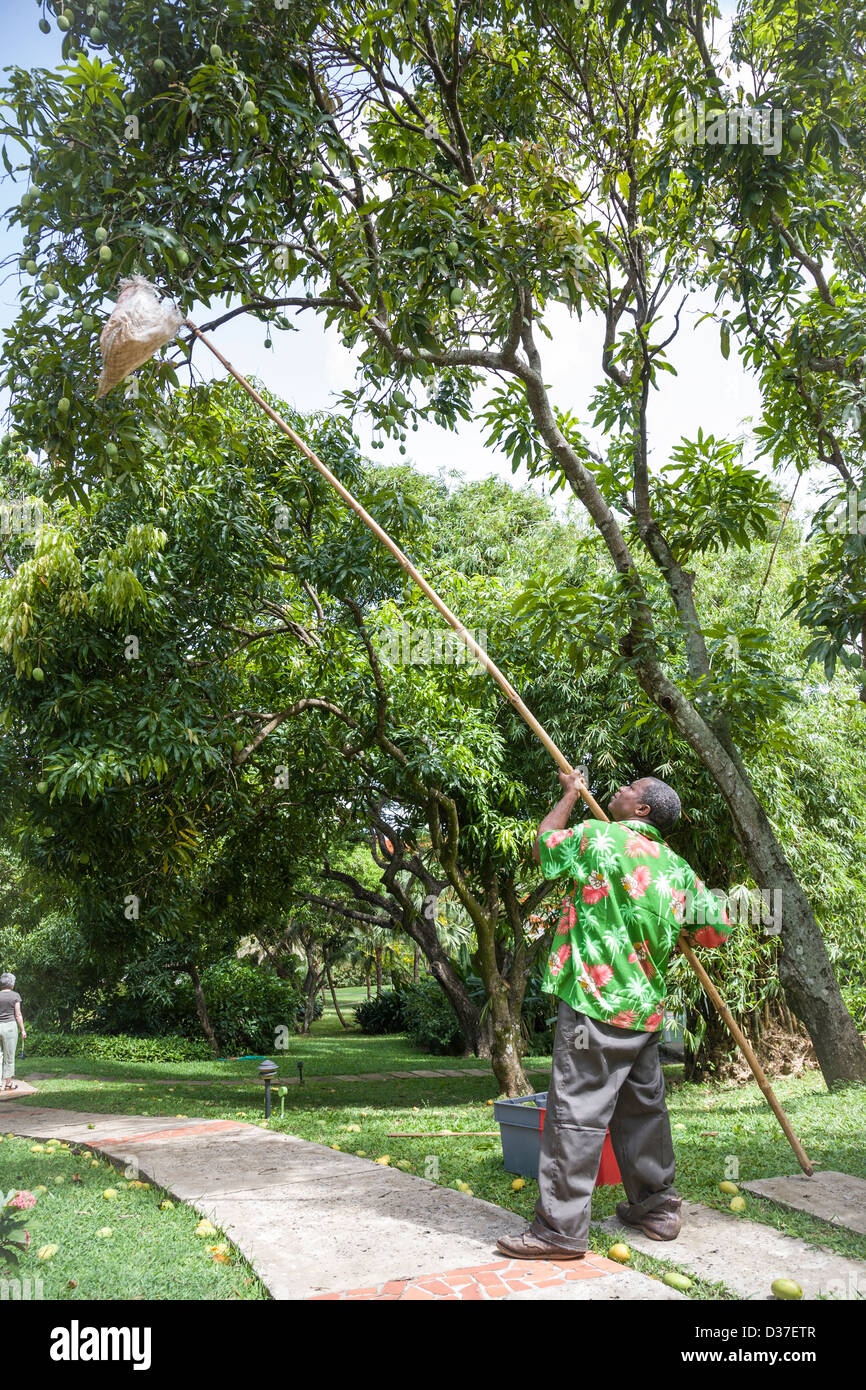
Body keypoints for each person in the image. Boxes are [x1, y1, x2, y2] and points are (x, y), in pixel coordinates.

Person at [497, 770, 730, 1261]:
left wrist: (567, 795)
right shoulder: (678, 869)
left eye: (630, 788)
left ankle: (558, 1232)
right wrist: (675, 928)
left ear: (641, 809)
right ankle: (657, 1208)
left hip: (594, 1003)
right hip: (645, 1011)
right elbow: (715, 932)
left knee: (576, 1113)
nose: (619, 789)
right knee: (643, 1111)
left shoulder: (597, 838)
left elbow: (543, 849)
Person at [0, 973, 26, 1092]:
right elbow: (18, 1014)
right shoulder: (15, 996)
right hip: (10, 1027)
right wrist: (22, 1030)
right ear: (11, 984)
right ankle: (8, 1083)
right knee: (9, 1056)